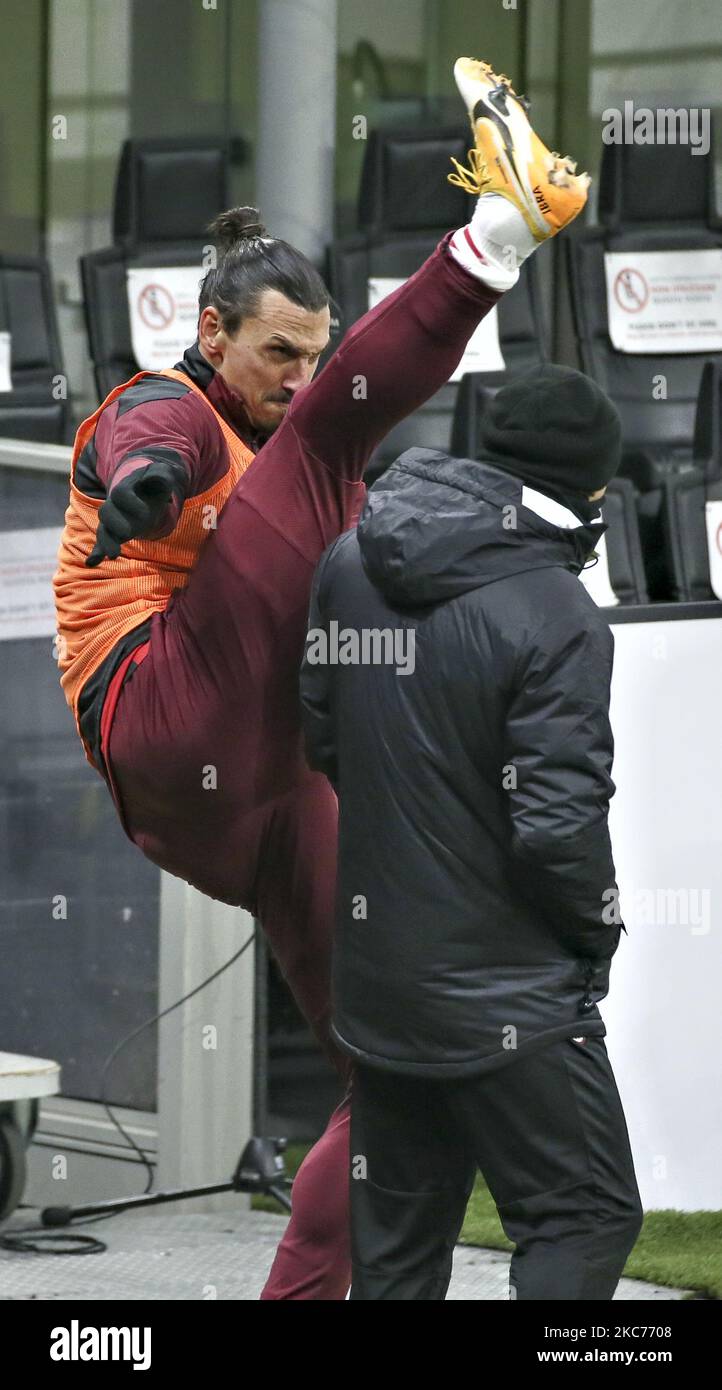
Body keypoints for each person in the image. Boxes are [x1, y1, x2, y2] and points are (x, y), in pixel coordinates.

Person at [54, 55, 591, 1300]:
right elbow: (150, 438)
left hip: (261, 788)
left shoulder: (289, 455)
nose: (296, 374)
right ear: (210, 335)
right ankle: (496, 230)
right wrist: (141, 485)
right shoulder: (171, 404)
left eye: (313, 351)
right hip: (161, 718)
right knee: (337, 442)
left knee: (398, 1071)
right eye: (275, 352)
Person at [300, 371, 645, 1296]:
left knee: (398, 1254)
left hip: (381, 984)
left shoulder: (347, 561)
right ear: (592, 491)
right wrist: (595, 935)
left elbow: (325, 741)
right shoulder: (558, 614)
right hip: (514, 997)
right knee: (586, 1218)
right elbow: (556, 828)